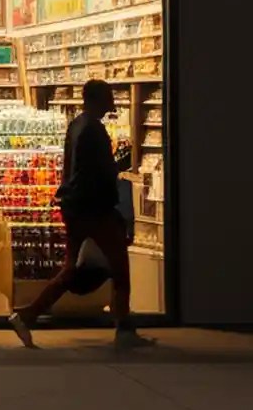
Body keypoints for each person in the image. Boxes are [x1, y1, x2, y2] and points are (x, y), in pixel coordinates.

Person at [8, 79, 154, 350]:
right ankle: (123, 330)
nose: (112, 103)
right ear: (98, 99)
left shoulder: (76, 126)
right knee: (120, 268)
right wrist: (120, 169)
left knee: (71, 270)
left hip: (75, 208)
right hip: (95, 211)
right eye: (108, 97)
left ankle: (27, 315)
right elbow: (101, 174)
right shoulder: (94, 130)